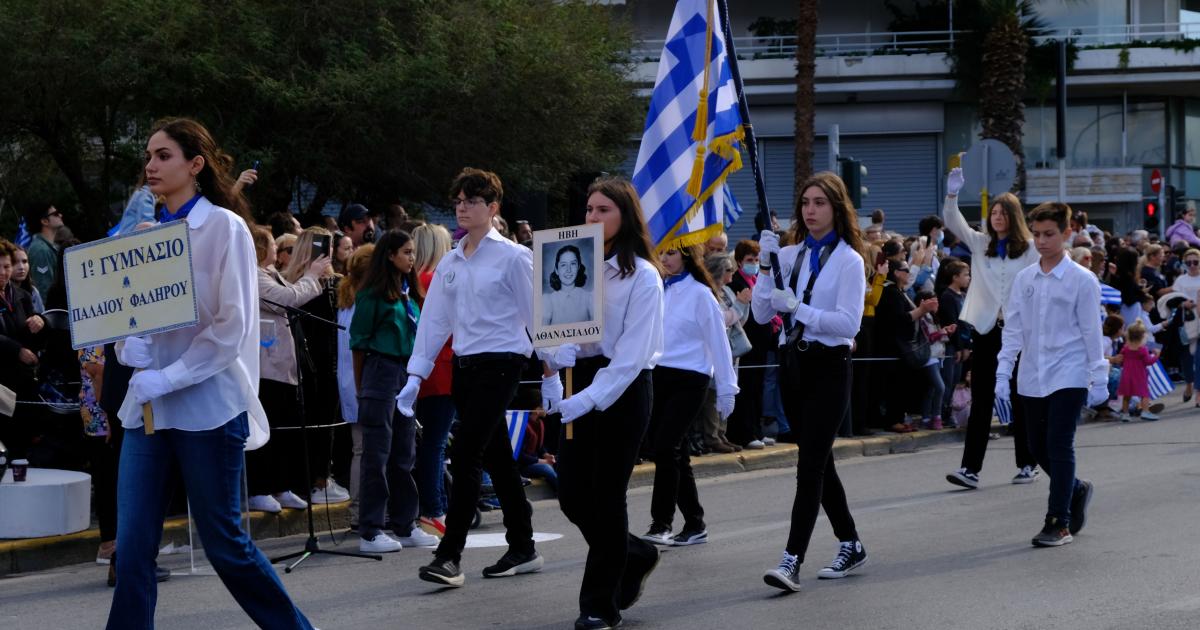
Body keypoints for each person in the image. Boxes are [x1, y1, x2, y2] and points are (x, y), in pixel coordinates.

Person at [106, 117, 313, 629]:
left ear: (195, 165)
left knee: (226, 546)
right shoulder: (145, 233)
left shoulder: (224, 228)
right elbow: (128, 312)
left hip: (208, 408)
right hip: (148, 411)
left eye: (164, 156)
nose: (150, 166)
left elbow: (231, 327)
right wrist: (128, 342)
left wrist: (169, 374)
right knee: (131, 549)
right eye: (149, 157)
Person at [397, 168, 541, 588]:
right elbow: (434, 322)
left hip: (502, 364)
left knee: (465, 455)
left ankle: (449, 556)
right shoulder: (451, 260)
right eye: (458, 199)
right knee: (496, 456)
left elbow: (537, 318)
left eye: (472, 200)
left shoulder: (515, 256)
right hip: (464, 366)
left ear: (493, 208)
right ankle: (523, 543)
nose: (461, 206)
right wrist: (415, 374)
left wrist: (550, 368)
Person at [541, 176, 663, 630]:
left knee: (607, 496)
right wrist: (553, 360)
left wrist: (588, 399)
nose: (592, 217)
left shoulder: (643, 276)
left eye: (603, 210)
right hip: (580, 382)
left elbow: (632, 356)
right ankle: (634, 553)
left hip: (623, 388)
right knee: (572, 493)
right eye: (589, 209)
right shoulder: (572, 265)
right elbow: (557, 336)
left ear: (624, 216)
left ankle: (598, 604)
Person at [753, 171, 868, 592]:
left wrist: (799, 309)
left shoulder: (850, 260)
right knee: (820, 462)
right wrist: (766, 267)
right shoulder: (788, 256)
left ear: (837, 208)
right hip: (793, 367)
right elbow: (762, 317)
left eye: (820, 202)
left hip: (830, 366)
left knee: (809, 467)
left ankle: (791, 560)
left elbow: (848, 324)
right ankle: (850, 542)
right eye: (806, 203)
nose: (811, 210)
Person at [995, 201, 1100, 547]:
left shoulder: (1082, 280)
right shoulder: (1025, 278)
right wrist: (1002, 372)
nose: (1041, 241)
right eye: (1036, 234)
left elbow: (1090, 331)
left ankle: (1059, 521)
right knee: (1036, 447)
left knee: (1058, 443)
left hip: (1069, 372)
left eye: (1049, 234)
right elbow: (1013, 329)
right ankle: (1075, 487)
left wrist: (1097, 375)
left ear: (1067, 233)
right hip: (1032, 374)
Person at [943, 167, 1041, 489]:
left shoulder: (1028, 248)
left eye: (1003, 213)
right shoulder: (981, 243)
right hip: (987, 331)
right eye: (994, 213)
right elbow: (953, 221)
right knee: (982, 397)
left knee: (1020, 395)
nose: (997, 218)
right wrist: (953, 194)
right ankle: (970, 469)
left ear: (1014, 216)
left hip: (1018, 332)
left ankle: (1028, 462)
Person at [640, 245, 737, 548]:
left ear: (686, 256)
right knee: (672, 451)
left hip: (691, 377)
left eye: (671, 253)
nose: (665, 259)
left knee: (667, 446)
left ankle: (661, 522)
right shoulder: (657, 288)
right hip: (659, 375)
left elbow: (719, 342)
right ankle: (694, 522)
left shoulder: (700, 293)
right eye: (662, 253)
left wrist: (726, 386)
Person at [350, 229, 438, 552]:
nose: (412, 258)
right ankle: (371, 529)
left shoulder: (408, 292)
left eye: (413, 252)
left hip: (405, 371)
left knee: (405, 450)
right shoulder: (372, 293)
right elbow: (358, 344)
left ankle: (405, 523)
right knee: (377, 452)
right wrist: (363, 388)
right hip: (380, 370)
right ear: (390, 255)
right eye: (406, 252)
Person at [246, 226, 330, 513]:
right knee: (269, 428)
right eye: (271, 243)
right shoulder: (253, 275)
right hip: (265, 365)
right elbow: (287, 298)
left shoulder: (270, 274)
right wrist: (311, 275)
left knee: (284, 430)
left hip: (282, 364)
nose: (275, 246)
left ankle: (280, 486)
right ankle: (259, 488)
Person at [411, 223, 456, 534]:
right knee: (435, 444)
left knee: (429, 443)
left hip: (426, 370)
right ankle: (434, 507)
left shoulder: (416, 282)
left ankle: (431, 505)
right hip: (442, 370)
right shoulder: (437, 280)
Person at [335, 243, 374, 528]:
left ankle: (360, 511)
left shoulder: (348, 301)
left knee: (361, 449)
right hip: (363, 384)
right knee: (364, 450)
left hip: (353, 384)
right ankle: (361, 510)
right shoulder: (362, 302)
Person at [0, 239, 46, 459]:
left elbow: (36, 339)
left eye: (6, 266)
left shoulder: (23, 296)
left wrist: (40, 321)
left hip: (22, 384)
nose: (3, 272)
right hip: (1, 382)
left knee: (21, 447)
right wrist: (15, 349)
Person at [1116, 321, 1160, 422]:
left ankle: (1125, 414)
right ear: (1142, 337)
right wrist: (1156, 356)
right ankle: (1145, 411)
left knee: (1127, 395)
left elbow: (1121, 360)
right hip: (1139, 376)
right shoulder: (1142, 350)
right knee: (1144, 394)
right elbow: (1148, 361)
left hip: (1126, 375)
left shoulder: (1125, 349)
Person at [542, 245, 593, 325]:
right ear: (557, 270)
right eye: (563, 265)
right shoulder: (548, 301)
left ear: (578, 267)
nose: (568, 270)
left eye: (573, 264)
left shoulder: (589, 298)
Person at [24, 202, 64, 297]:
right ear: (44, 221)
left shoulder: (49, 247)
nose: (60, 215)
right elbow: (44, 289)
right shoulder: (40, 250)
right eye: (55, 214)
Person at [10, 244, 44, 314]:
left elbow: (43, 317)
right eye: (14, 262)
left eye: (24, 261)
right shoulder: (4, 295)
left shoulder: (33, 291)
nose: (21, 267)